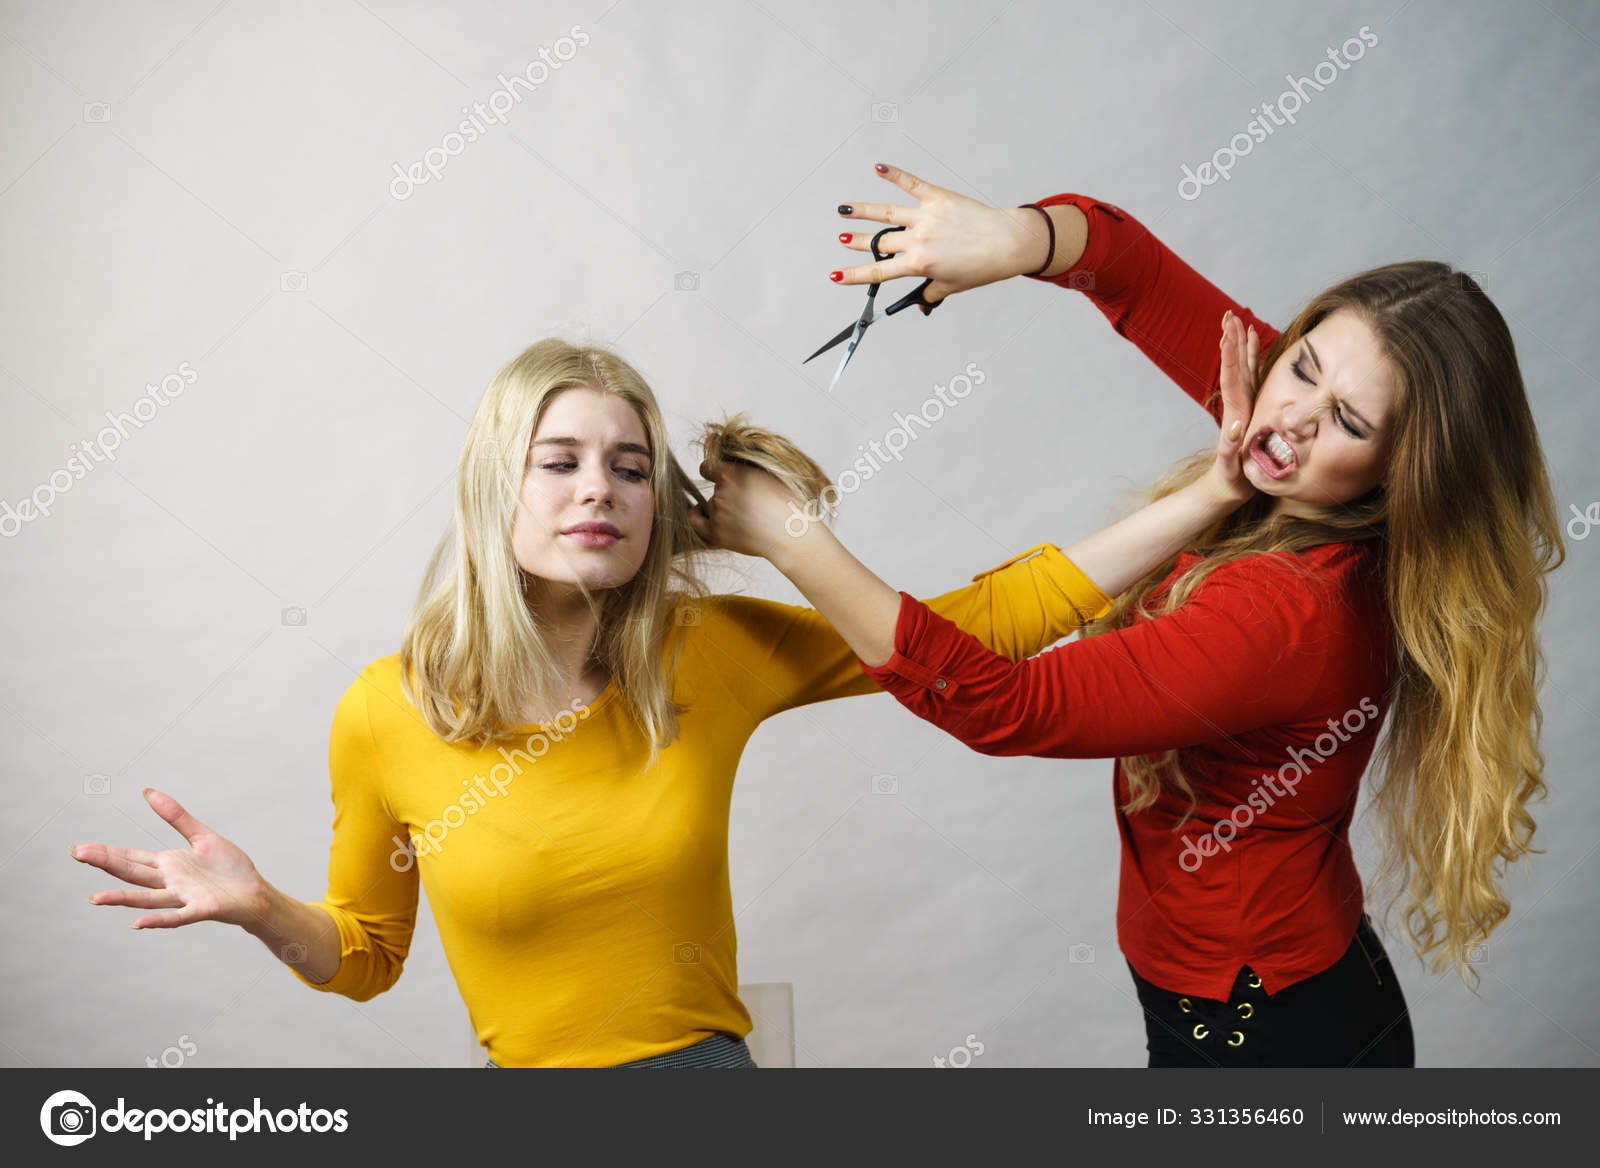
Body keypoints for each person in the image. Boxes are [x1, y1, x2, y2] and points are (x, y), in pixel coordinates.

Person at [68, 336, 1230, 1068]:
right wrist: (264, 905)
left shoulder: (703, 647)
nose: (600, 490)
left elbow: (976, 621)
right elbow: (368, 955)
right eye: (559, 459)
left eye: (629, 466)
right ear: (494, 489)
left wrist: (1212, 492)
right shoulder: (386, 708)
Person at [693, 164, 1565, 1066]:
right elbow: (1135, 271)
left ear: (1401, 468)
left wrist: (794, 541)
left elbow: (1006, 705)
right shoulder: (1285, 438)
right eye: (1301, 363)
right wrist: (1013, 240)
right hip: (1270, 980)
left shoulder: (1291, 615)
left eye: (1347, 419)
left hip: (1264, 1028)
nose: (1294, 416)